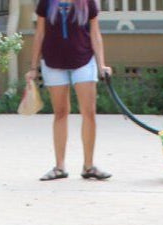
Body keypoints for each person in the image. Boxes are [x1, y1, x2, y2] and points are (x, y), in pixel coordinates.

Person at [27, 0, 113, 182]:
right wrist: (33, 67)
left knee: (89, 112)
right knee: (60, 112)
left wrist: (102, 64)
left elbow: (95, 34)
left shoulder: (88, 2)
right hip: (53, 62)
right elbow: (40, 33)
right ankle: (59, 167)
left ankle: (89, 166)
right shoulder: (46, 2)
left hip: (83, 60)